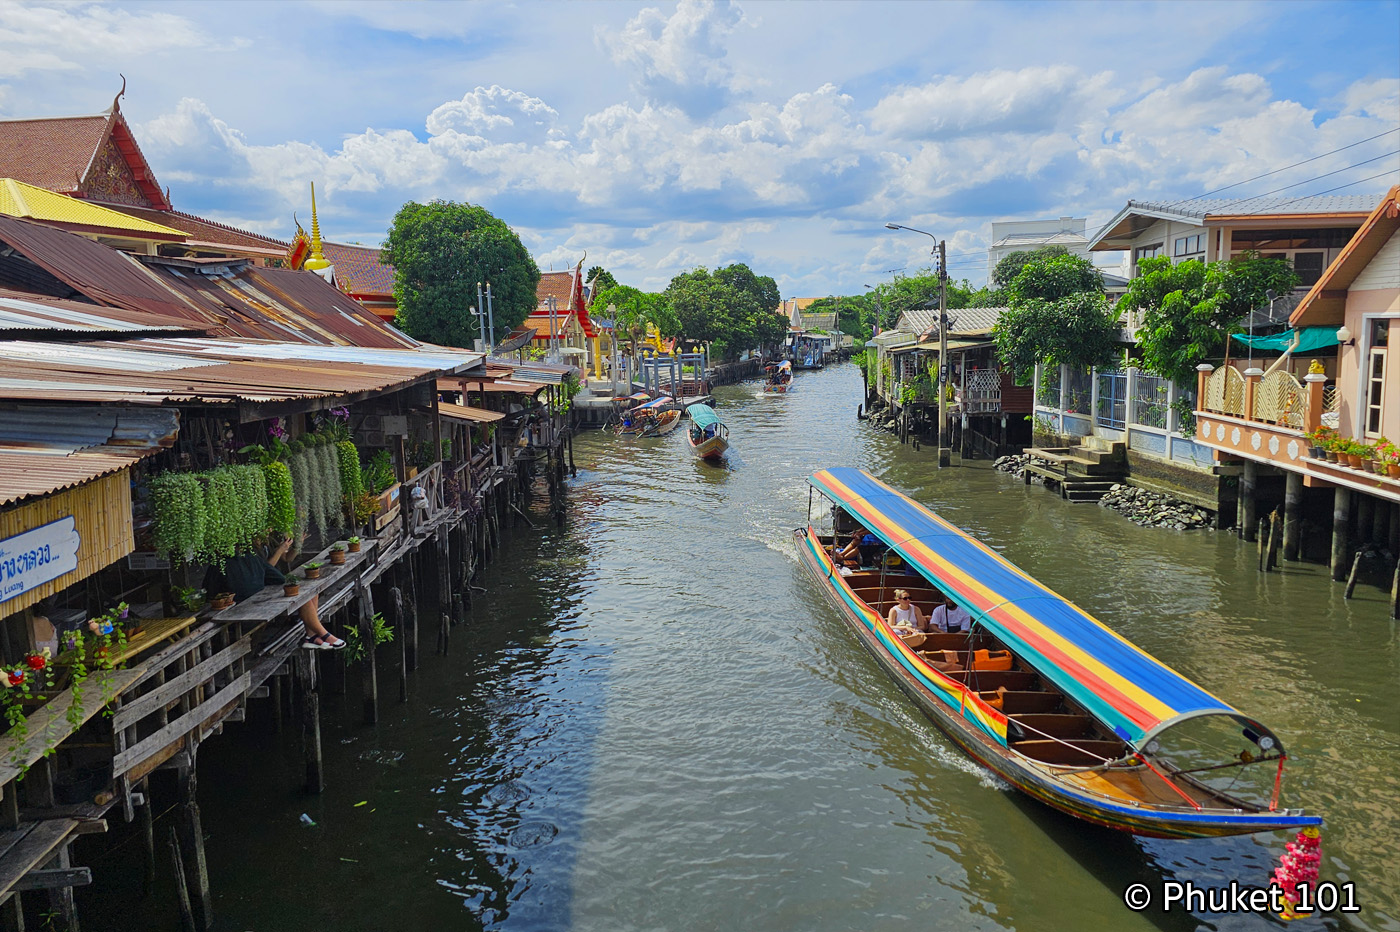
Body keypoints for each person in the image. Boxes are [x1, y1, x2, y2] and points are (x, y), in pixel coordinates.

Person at [205, 533, 345, 650]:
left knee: (307, 591)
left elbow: (208, 592)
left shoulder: (220, 564)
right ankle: (323, 633)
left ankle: (311, 635)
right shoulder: (252, 556)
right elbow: (277, 577)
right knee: (302, 594)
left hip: (243, 606)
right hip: (249, 612)